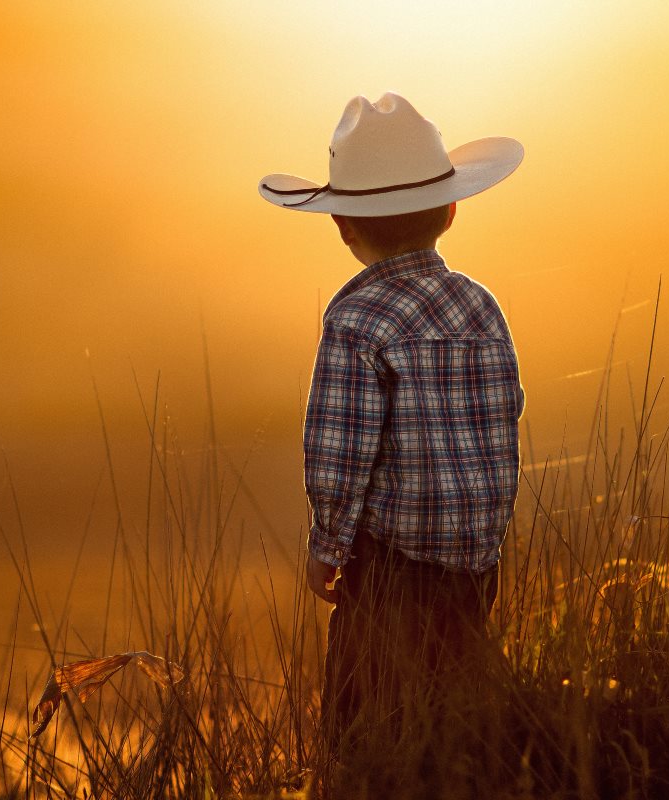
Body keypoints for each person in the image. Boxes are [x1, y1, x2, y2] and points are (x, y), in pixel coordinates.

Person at [257, 92, 526, 755]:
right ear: (452, 210)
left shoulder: (357, 320)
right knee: (453, 703)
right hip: (474, 559)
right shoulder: (479, 304)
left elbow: (338, 453)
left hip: (389, 565)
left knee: (364, 718)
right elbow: (504, 409)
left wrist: (328, 542)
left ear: (344, 226)